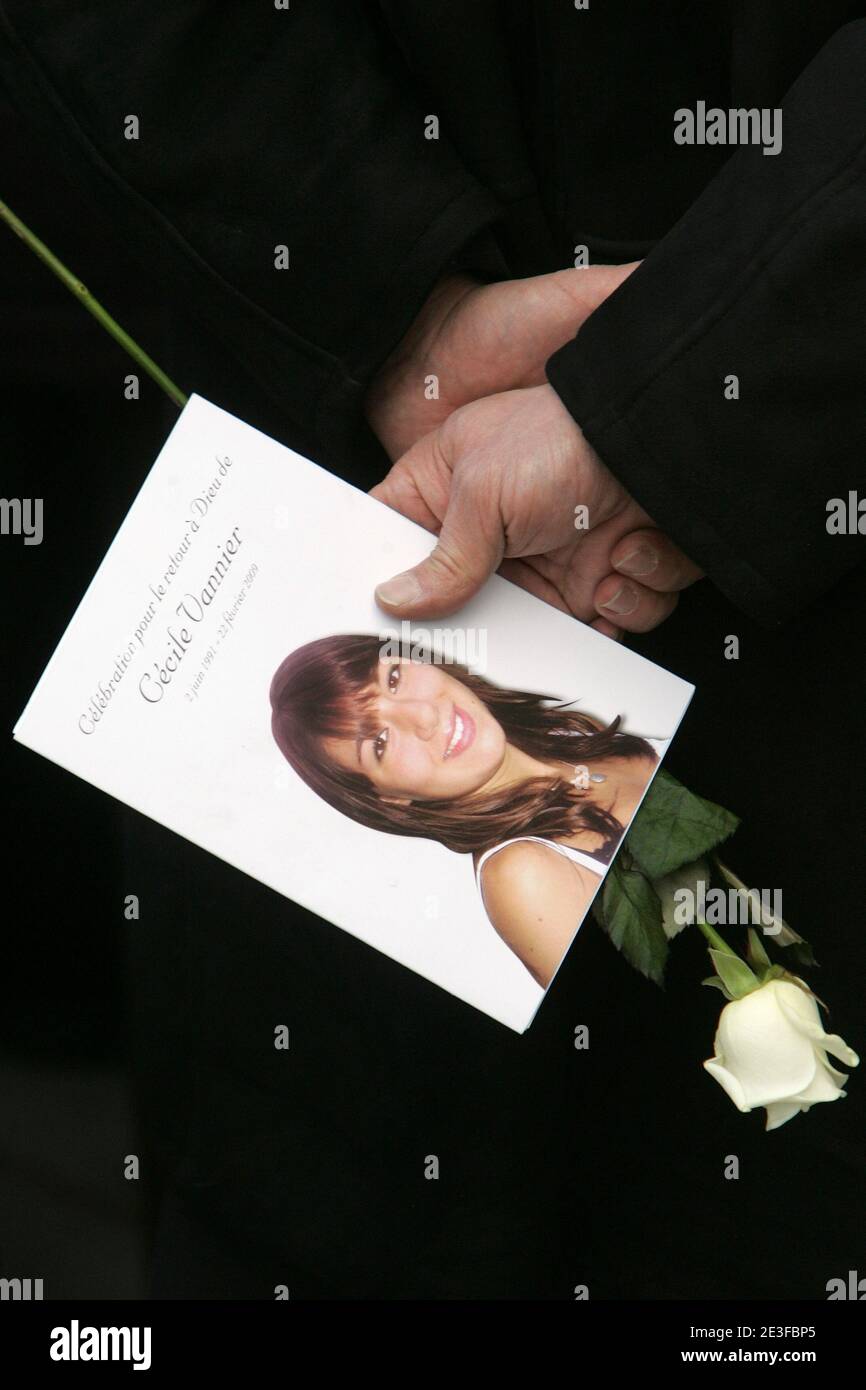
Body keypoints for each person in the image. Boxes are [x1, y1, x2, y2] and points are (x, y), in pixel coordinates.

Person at [3, 3, 863, 1301]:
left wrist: (691, 384)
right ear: (373, 799)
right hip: (330, 421)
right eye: (369, 743)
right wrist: (387, 304)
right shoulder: (502, 864)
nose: (405, 717)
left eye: (383, 684)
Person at [269, 634, 659, 985]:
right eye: (380, 743)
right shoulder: (522, 875)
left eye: (393, 679)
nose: (423, 715)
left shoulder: (570, 731)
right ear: (386, 797)